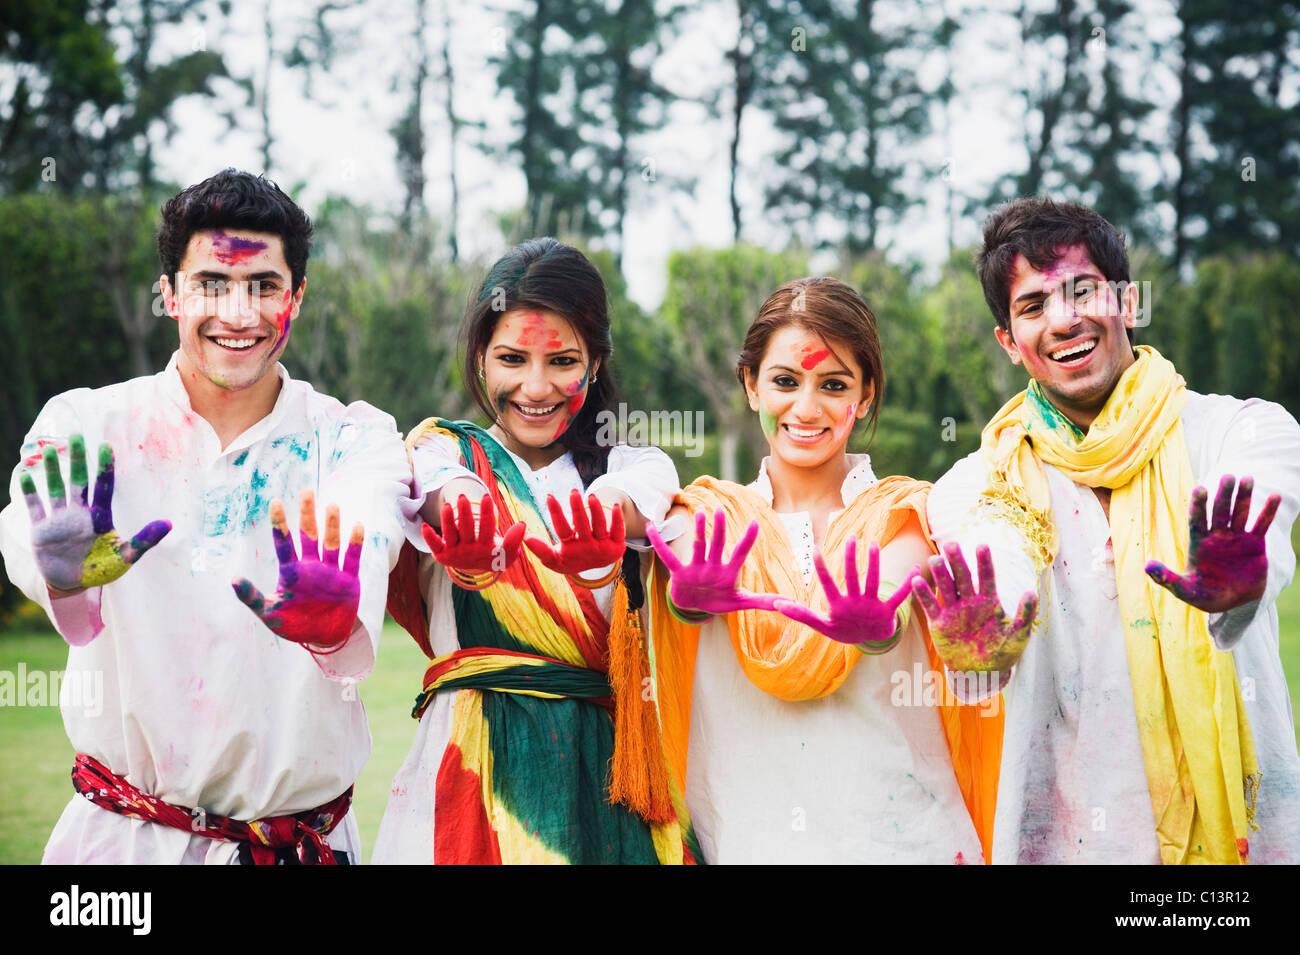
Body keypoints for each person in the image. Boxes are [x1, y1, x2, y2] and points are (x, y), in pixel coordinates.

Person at [0, 169, 409, 864]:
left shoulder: (352, 440)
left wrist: (334, 623)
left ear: (297, 296)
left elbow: (369, 530)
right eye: (212, 284)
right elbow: (29, 525)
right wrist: (62, 574)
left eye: (264, 286)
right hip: (121, 847)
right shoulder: (90, 425)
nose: (240, 313)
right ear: (169, 294)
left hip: (298, 847)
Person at [917, 197, 1300, 864]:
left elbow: (1259, 528)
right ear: (1009, 341)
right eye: (1033, 305)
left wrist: (1241, 582)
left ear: (1125, 301)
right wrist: (989, 637)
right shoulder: (978, 482)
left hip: (1244, 844)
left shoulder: (1240, 431)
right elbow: (998, 559)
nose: (1064, 318)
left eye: (1081, 289)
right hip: (1070, 841)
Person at [645, 277, 1001, 864]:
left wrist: (875, 625)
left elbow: (890, 603)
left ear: (863, 398)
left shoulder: (908, 513)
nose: (806, 409)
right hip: (748, 839)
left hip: (902, 840)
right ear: (751, 386)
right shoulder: (708, 517)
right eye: (785, 381)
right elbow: (680, 574)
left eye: (833, 385)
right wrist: (688, 599)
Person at [375, 237, 688, 865]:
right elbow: (445, 492)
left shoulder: (637, 467)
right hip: (466, 765)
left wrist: (602, 527)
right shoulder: (441, 454)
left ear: (595, 363)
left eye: (563, 361)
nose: (535, 386)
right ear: (481, 359)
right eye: (512, 358)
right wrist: (467, 518)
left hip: (601, 778)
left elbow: (627, 501)